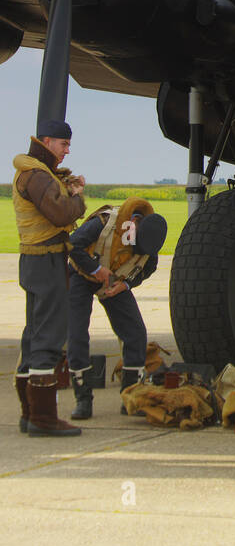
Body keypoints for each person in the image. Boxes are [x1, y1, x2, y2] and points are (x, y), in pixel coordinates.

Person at [12, 118, 99, 437]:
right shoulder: (36, 175)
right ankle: (43, 418)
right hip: (46, 260)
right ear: (46, 141)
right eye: (63, 144)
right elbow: (62, 214)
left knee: (34, 333)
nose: (67, 150)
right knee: (48, 336)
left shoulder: (34, 172)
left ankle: (29, 414)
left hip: (34, 260)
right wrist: (76, 195)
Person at [66, 198, 168, 418]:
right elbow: (73, 245)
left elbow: (148, 268)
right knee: (77, 335)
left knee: (136, 334)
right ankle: (83, 400)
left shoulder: (149, 238)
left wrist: (126, 284)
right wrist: (95, 270)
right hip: (81, 274)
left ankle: (130, 398)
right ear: (131, 226)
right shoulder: (103, 223)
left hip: (114, 281)